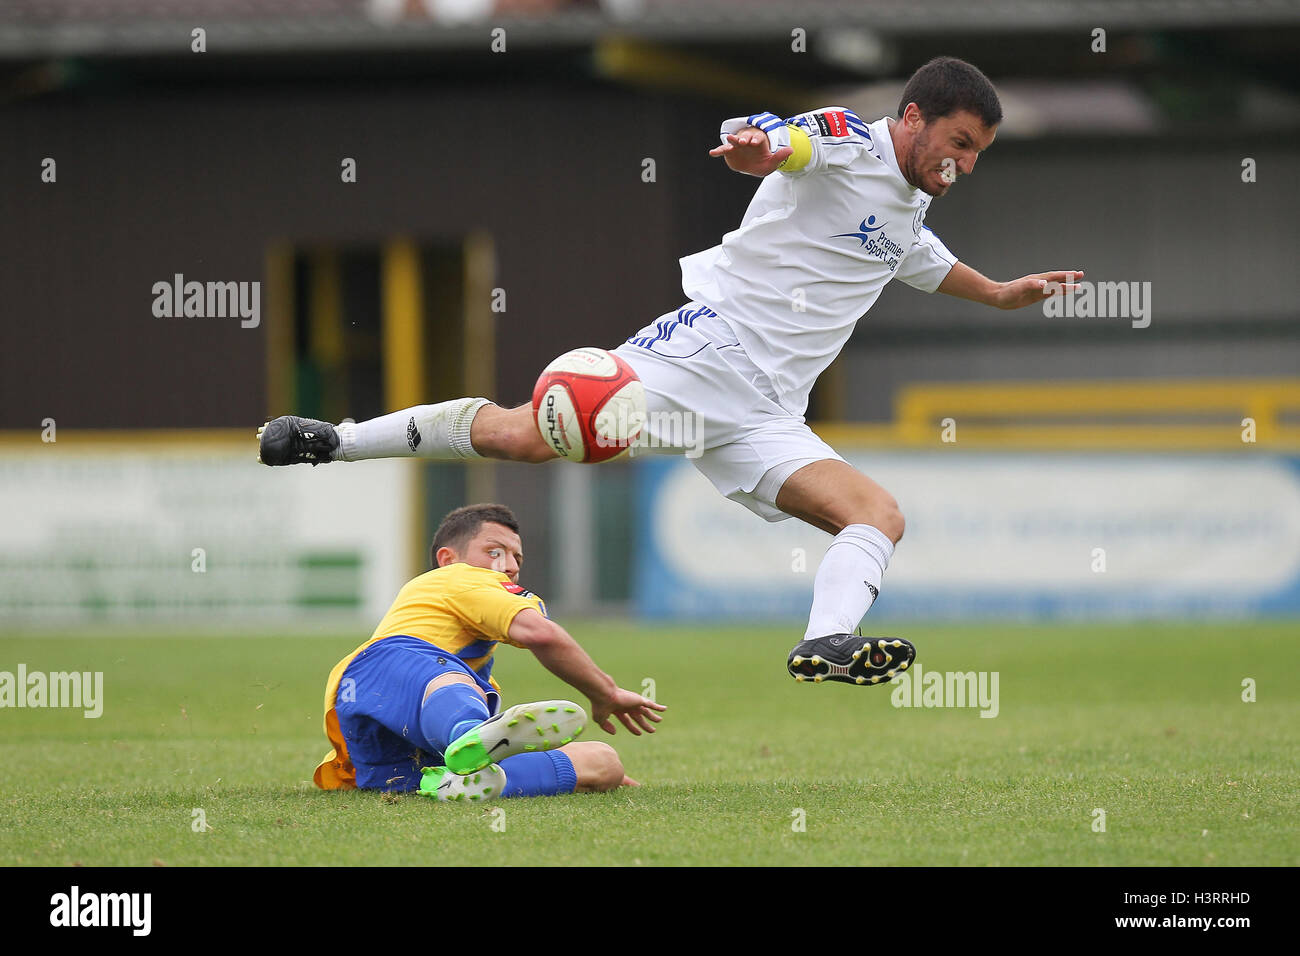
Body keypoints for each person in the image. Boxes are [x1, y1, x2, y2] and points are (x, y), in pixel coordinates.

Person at [263, 57, 1082, 687]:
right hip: (705, 353)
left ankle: (825, 641)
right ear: (912, 118)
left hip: (766, 413)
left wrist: (1003, 293)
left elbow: (922, 258)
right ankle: (333, 440)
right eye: (961, 144)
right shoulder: (845, 138)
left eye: (978, 153)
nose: (966, 163)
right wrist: (758, 146)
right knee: (527, 436)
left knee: (876, 514)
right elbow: (781, 137)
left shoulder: (910, 205)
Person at [313, 503, 664, 801]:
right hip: (383, 672)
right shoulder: (459, 577)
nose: (510, 565)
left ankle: (454, 780)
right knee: (454, 682)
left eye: (517, 557)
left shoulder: (475, 673)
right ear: (448, 559)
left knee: (604, 762)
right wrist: (606, 693)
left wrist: (594, 773)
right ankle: (469, 733)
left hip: (385, 746)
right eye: (495, 552)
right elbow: (541, 634)